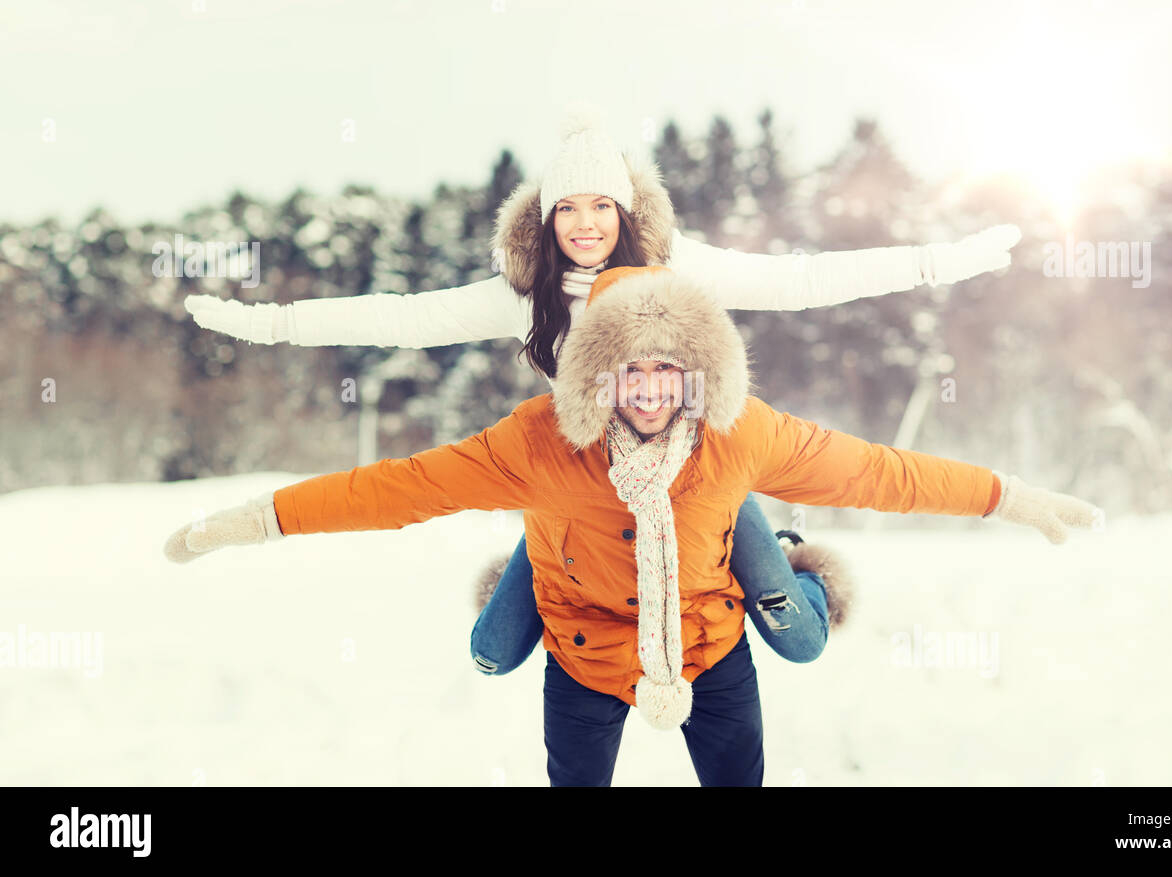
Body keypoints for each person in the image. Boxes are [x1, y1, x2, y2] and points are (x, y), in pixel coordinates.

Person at [164, 265, 1101, 787]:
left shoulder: (741, 434)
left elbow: (879, 470)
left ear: (695, 374)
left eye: (667, 370)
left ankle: (782, 563)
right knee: (500, 663)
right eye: (630, 372)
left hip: (708, 637)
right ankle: (533, 562)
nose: (649, 390)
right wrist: (254, 518)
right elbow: (398, 488)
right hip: (582, 647)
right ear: (597, 377)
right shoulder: (538, 443)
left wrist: (1011, 498)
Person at [181, 108, 1025, 678]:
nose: (584, 224)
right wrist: (273, 325)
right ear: (546, 220)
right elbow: (400, 316)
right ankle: (554, 568)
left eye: (601, 206)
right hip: (575, 493)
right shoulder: (527, 294)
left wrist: (937, 262)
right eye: (567, 210)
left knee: (801, 641)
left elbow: (804, 281)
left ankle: (779, 545)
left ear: (626, 210)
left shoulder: (679, 267)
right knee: (492, 650)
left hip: (694, 485)